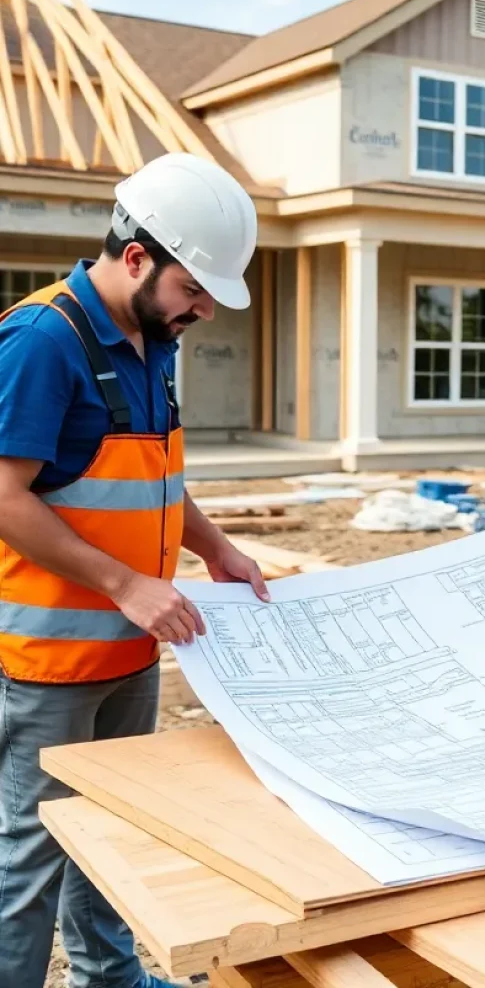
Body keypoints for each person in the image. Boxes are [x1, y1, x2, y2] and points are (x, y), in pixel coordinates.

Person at [0, 152, 272, 988]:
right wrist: (124, 584)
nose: (202, 312)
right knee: (33, 851)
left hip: (132, 651)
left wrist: (213, 546)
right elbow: (5, 496)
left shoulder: (152, 337)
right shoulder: (43, 340)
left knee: (114, 829)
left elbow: (151, 478)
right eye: (194, 290)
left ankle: (109, 981)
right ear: (135, 258)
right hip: (50, 659)